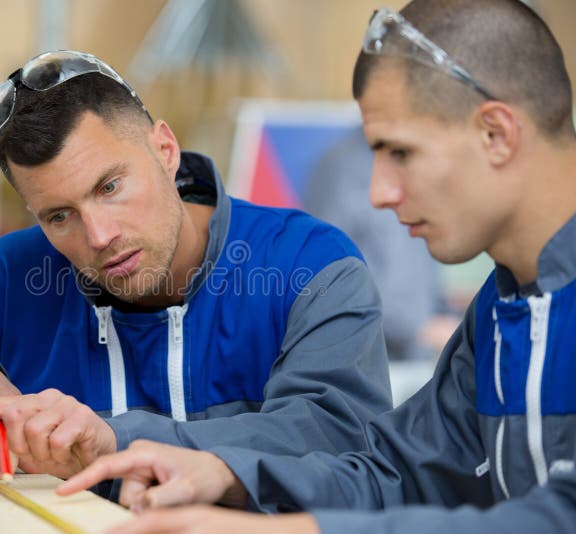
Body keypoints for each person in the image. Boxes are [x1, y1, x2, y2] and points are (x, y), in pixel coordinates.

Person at [57, 1, 576, 532]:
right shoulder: (500, 310)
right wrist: (226, 472)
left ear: (496, 133)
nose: (378, 193)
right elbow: (395, 472)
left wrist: (281, 530)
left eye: (399, 152)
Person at [0, 51, 391, 490]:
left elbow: (345, 443)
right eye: (59, 215)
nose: (99, 237)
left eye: (110, 187)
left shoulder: (309, 267)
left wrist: (112, 442)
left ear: (165, 149)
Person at [305, 127, 458, 361]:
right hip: (364, 362)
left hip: (420, 361)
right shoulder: (340, 165)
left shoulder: (421, 155)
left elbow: (420, 267)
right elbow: (324, 276)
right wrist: (415, 329)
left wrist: (445, 316)